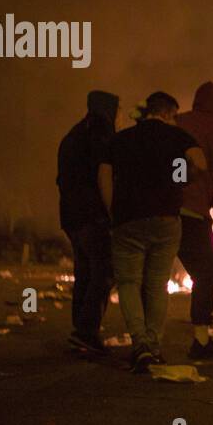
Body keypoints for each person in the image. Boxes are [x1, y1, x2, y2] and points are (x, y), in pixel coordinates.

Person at [99, 92, 207, 375]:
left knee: (129, 282)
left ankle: (140, 344)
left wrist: (112, 211)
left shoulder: (121, 139)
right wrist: (181, 179)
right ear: (170, 112)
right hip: (167, 217)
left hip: (128, 218)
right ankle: (155, 344)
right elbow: (200, 164)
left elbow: (104, 176)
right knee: (157, 283)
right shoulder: (178, 137)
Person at [175, 82, 213, 361]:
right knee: (207, 270)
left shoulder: (176, 121)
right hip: (191, 211)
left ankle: (144, 342)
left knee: (148, 274)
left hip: (160, 209)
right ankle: (201, 340)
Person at [56, 90, 120, 354]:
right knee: (104, 271)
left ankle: (80, 329)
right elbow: (104, 174)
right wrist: (112, 211)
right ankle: (87, 330)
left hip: (71, 215)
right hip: (93, 214)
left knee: (85, 271)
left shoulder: (73, 134)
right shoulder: (101, 132)